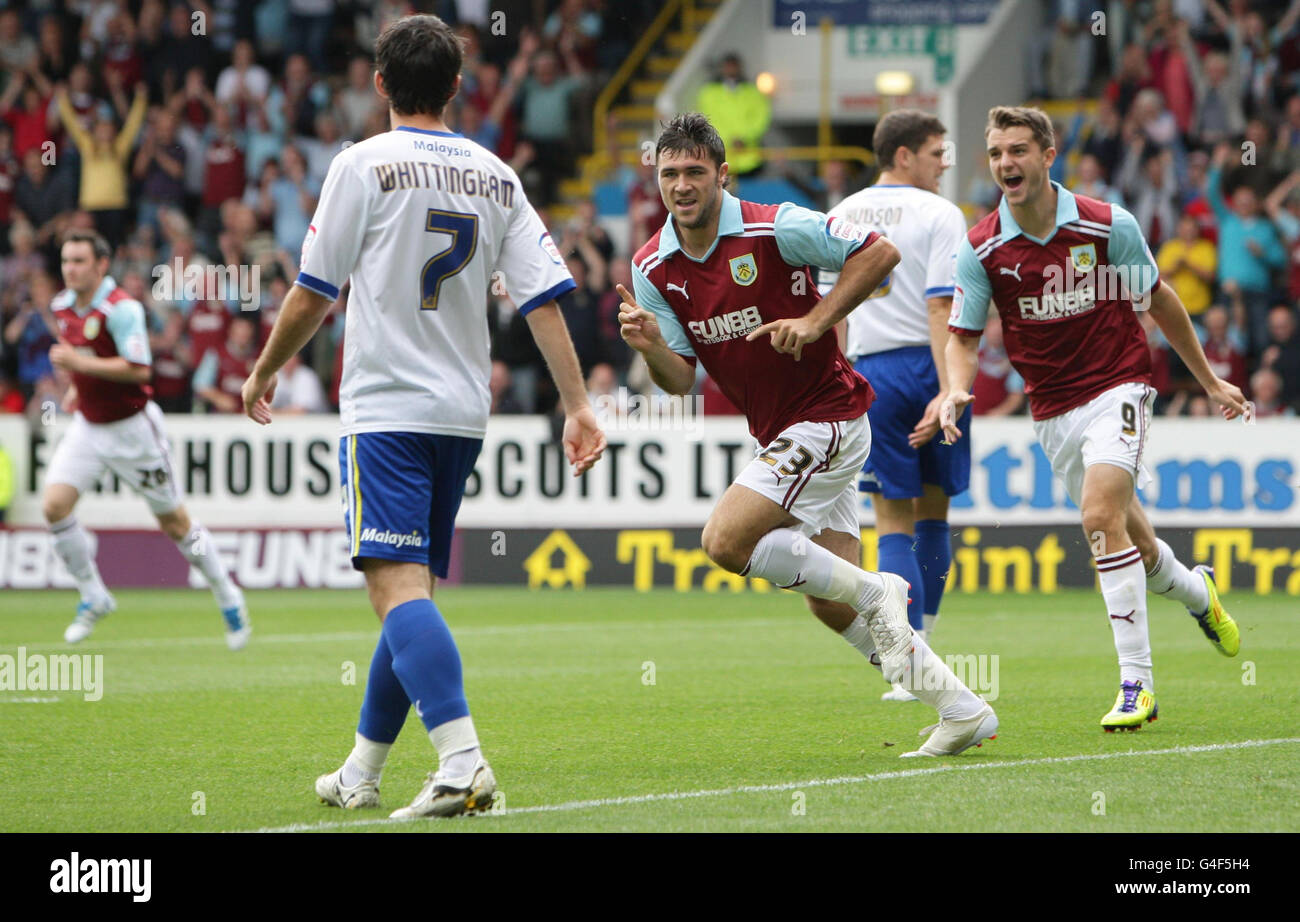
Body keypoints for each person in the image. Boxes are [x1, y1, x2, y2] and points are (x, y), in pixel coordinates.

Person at [241, 15, 605, 819]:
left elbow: (312, 291)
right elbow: (546, 297)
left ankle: (463, 762)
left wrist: (264, 370)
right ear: (456, 87)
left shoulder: (359, 165)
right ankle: (362, 771)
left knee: (396, 587)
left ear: (378, 85)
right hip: (462, 414)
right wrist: (577, 403)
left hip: (386, 408)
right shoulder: (497, 173)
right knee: (410, 588)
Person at [618, 112, 997, 757]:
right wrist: (653, 346)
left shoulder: (778, 226)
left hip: (830, 415)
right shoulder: (654, 267)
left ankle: (882, 589)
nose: (681, 185)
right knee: (829, 603)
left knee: (725, 539)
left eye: (694, 172)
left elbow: (880, 253)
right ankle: (961, 709)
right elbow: (680, 381)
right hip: (783, 430)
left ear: (722, 174)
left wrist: (818, 320)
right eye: (669, 173)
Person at [940, 106, 1247, 732]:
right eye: (997, 153)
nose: (1006, 164)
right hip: (1053, 412)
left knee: (1099, 515)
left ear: (1049, 156)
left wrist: (1210, 380)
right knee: (1138, 544)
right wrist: (954, 390)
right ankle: (1198, 594)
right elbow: (964, 338)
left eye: (1019, 150)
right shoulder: (983, 248)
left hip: (1120, 386)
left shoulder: (1108, 225)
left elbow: (1159, 301)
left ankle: (1138, 685)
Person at [821, 109, 970, 702]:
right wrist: (945, 389)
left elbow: (832, 308)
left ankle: (906, 664)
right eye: (937, 152)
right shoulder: (940, 214)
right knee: (931, 516)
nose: (945, 163)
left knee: (891, 521)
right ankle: (921, 645)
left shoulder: (840, 214)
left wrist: (839, 380)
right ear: (903, 155)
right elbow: (942, 309)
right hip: (931, 366)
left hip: (872, 371)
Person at [43, 229, 249, 648]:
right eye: (66, 261)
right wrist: (75, 387)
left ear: (101, 265)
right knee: (54, 505)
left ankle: (227, 593)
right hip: (89, 426)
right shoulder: (62, 306)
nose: (71, 269)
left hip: (134, 429)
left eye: (79, 261)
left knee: (175, 524)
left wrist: (79, 363)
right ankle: (93, 595)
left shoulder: (123, 309)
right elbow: (83, 360)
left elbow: (140, 369)